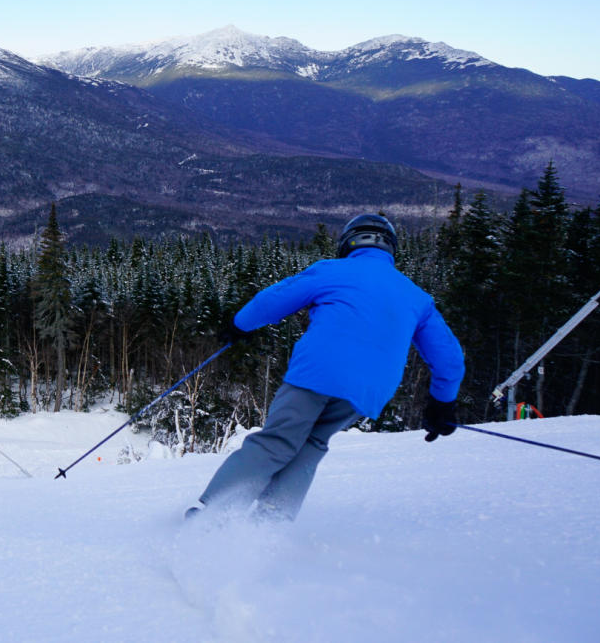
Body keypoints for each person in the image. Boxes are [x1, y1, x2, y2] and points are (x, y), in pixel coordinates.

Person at [187, 213, 464, 524]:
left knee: (277, 441)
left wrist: (240, 325)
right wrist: (442, 404)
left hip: (317, 373)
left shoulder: (331, 271)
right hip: (367, 391)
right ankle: (270, 523)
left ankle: (213, 515)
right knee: (313, 443)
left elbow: (274, 300)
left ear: (348, 242)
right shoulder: (416, 296)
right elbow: (450, 358)